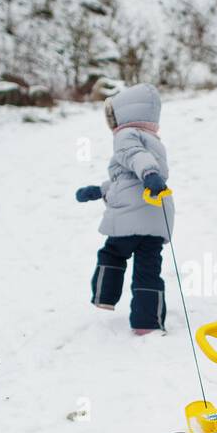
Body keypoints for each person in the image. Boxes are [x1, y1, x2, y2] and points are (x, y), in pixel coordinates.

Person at [75, 84, 174, 335]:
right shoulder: (154, 141)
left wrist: (149, 173)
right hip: (155, 215)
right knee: (148, 270)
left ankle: (104, 295)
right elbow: (127, 179)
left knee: (112, 254)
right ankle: (147, 323)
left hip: (129, 219)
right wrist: (99, 190)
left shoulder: (126, 136)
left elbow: (136, 158)